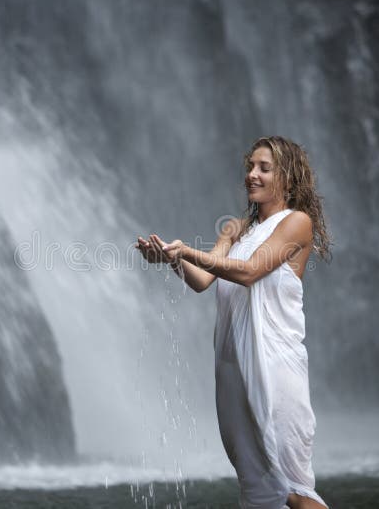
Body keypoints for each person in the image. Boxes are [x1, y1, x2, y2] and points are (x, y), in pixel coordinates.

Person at [136, 136, 332, 509]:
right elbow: (202, 281)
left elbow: (249, 271)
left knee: (293, 490)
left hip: (274, 366)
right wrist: (172, 259)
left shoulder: (297, 223)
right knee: (258, 491)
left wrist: (187, 250)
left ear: (287, 178)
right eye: (250, 166)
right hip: (232, 369)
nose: (252, 174)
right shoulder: (235, 228)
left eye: (264, 168)